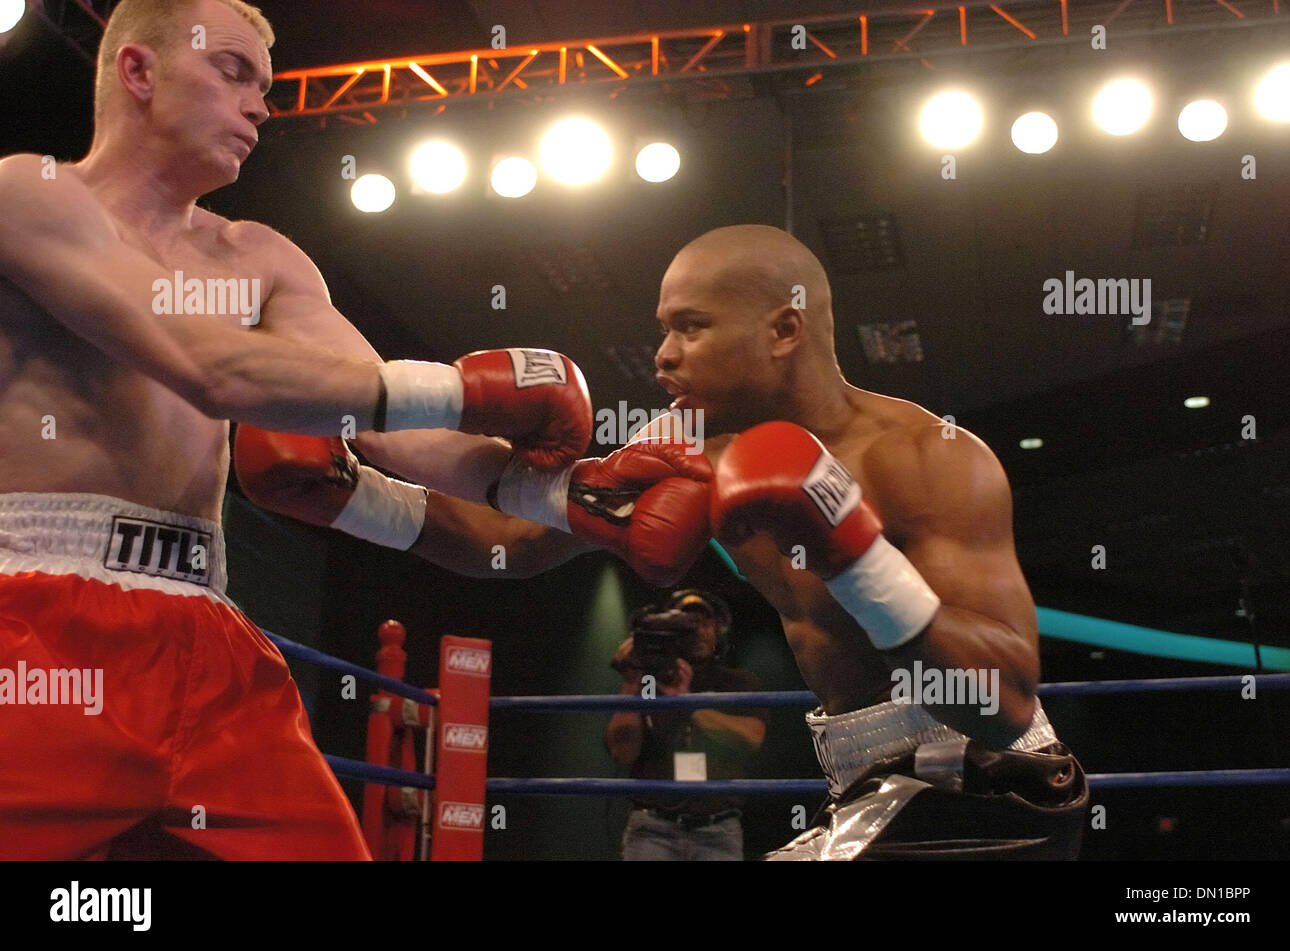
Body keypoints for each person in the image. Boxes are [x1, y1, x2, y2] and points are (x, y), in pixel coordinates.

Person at [0, 0, 632, 860]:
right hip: (38, 628)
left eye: (267, 85)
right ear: (138, 71)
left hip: (207, 634)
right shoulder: (30, 195)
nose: (260, 104)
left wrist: (564, 491)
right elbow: (208, 364)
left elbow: (397, 436)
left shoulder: (261, 257)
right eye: (232, 72)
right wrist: (466, 388)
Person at [270, 223, 1089, 860]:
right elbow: (511, 541)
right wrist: (357, 500)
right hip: (868, 789)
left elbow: (1003, 703)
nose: (662, 354)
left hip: (984, 786)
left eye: (690, 328)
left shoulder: (928, 458)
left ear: (783, 329)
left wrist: (851, 552)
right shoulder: (690, 439)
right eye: (663, 328)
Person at [605, 590, 767, 861]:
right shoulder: (648, 683)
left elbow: (750, 738)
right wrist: (632, 680)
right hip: (651, 827)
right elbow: (623, 753)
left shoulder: (738, 683)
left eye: (704, 622)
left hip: (718, 829)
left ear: (718, 631)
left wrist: (686, 702)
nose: (697, 630)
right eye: (686, 623)